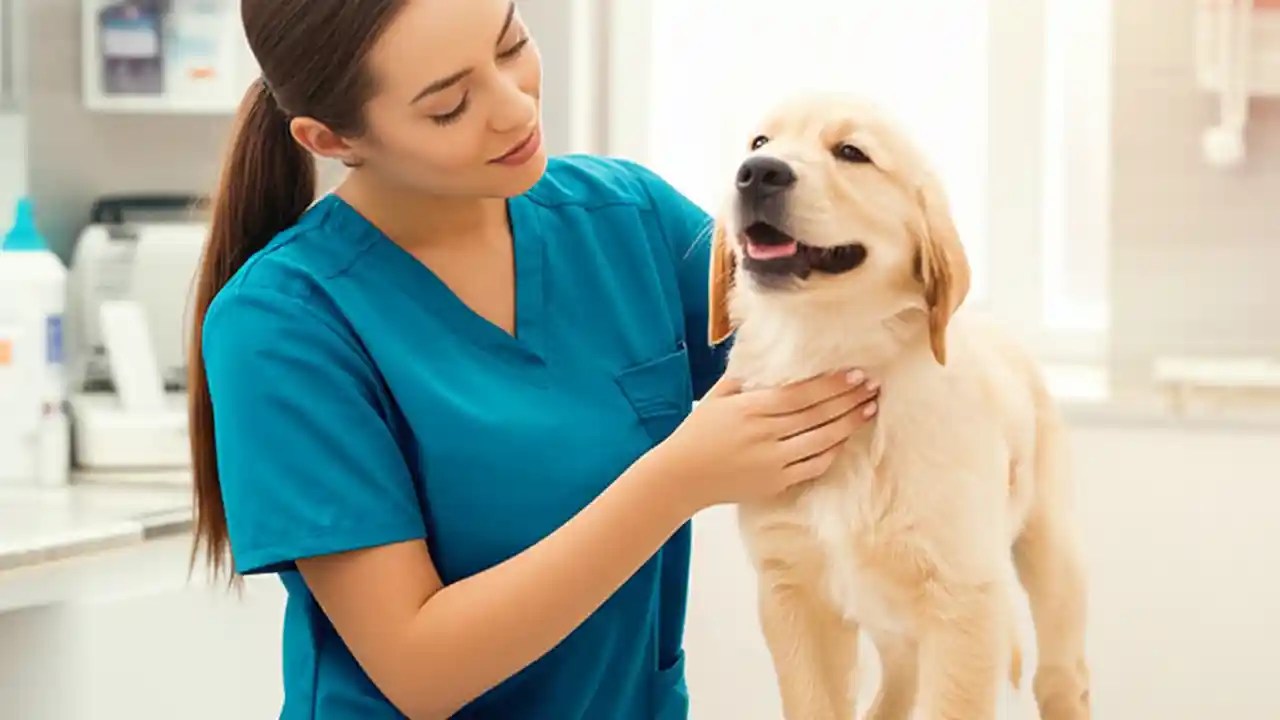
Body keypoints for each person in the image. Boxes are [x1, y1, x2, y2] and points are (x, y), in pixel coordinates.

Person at [189, 1, 880, 718]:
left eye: (512, 43)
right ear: (332, 138)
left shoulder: (631, 221)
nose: (514, 107)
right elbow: (420, 669)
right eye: (450, 106)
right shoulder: (283, 324)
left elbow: (853, 364)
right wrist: (678, 479)